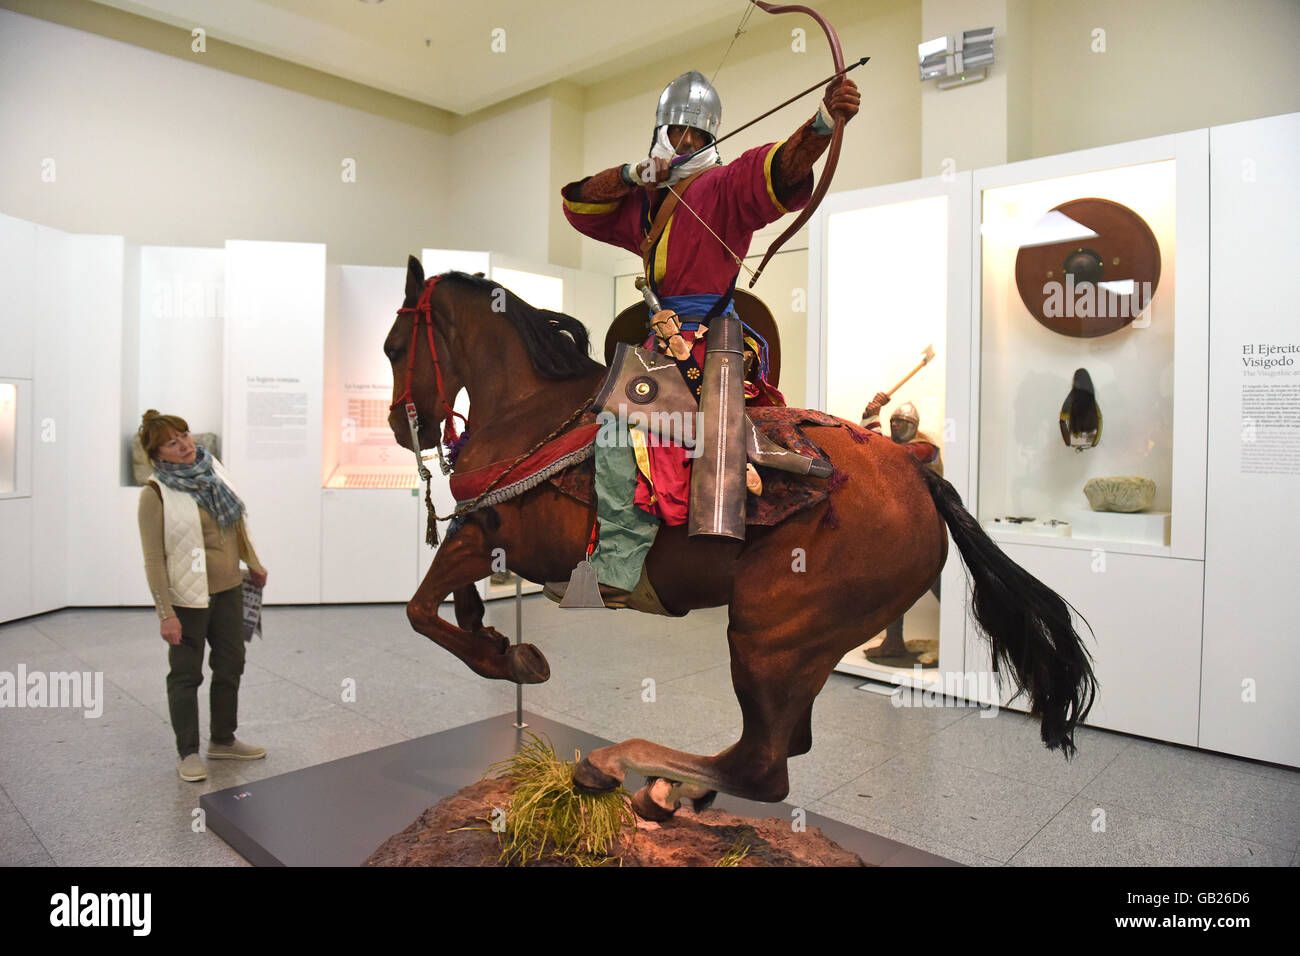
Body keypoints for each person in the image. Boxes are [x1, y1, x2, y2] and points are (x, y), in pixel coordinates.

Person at [561, 69, 859, 597]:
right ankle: (620, 560)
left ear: (711, 136)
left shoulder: (723, 186)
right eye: (676, 132)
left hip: (709, 343)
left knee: (635, 435)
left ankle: (630, 571)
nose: (685, 143)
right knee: (603, 430)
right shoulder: (647, 201)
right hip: (660, 339)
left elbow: (776, 171)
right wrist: (633, 174)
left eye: (696, 135)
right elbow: (580, 205)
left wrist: (820, 125)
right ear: (658, 131)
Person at [136, 410, 268, 782]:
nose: (185, 445)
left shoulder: (214, 472)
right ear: (159, 454)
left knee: (231, 664)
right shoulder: (156, 494)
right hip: (187, 599)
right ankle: (188, 752)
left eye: (185, 435)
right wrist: (166, 613)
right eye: (172, 442)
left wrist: (253, 563)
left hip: (229, 591)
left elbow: (237, 523)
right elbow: (153, 559)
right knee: (185, 675)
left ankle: (223, 740)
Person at [861, 391, 942, 660]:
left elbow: (888, 455)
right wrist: (870, 414)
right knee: (895, 586)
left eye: (901, 423)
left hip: (925, 532)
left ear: (914, 427)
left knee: (941, 587)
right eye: (893, 422)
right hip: (901, 530)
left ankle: (964, 636)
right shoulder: (894, 446)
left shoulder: (925, 449)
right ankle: (893, 642)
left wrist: (874, 418)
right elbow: (869, 446)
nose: (895, 426)